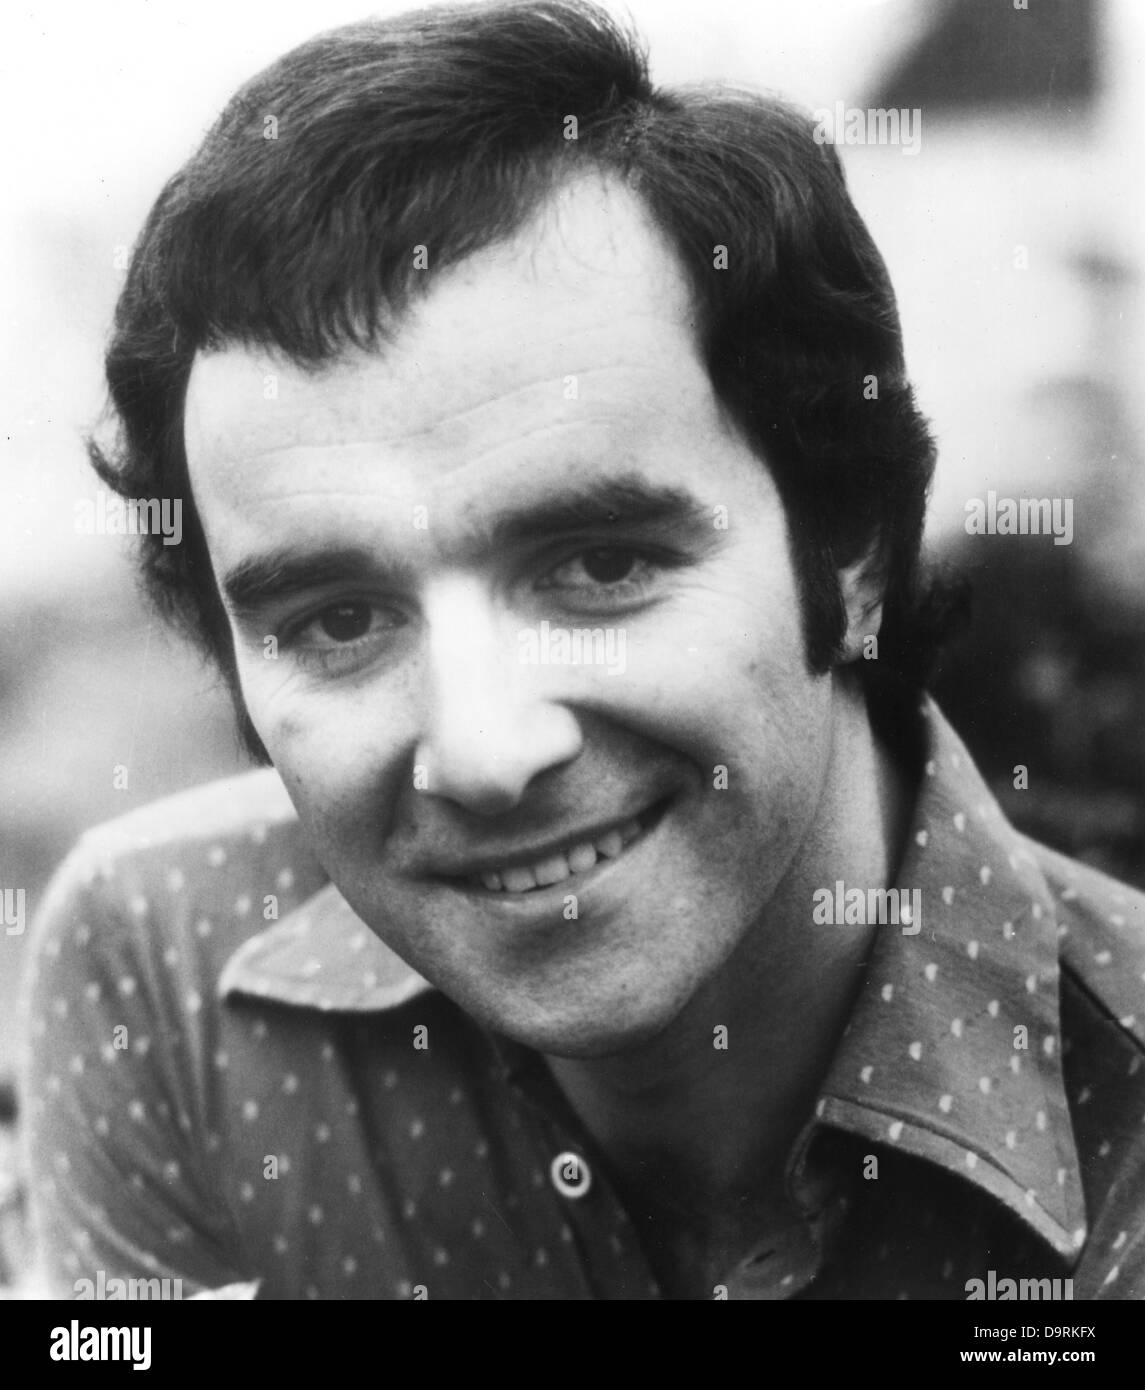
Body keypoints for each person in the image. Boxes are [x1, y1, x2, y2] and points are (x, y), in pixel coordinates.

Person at [20, 0, 1145, 1300]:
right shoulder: (161, 964)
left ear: (845, 547)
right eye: (337, 619)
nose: (486, 750)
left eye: (600, 564)